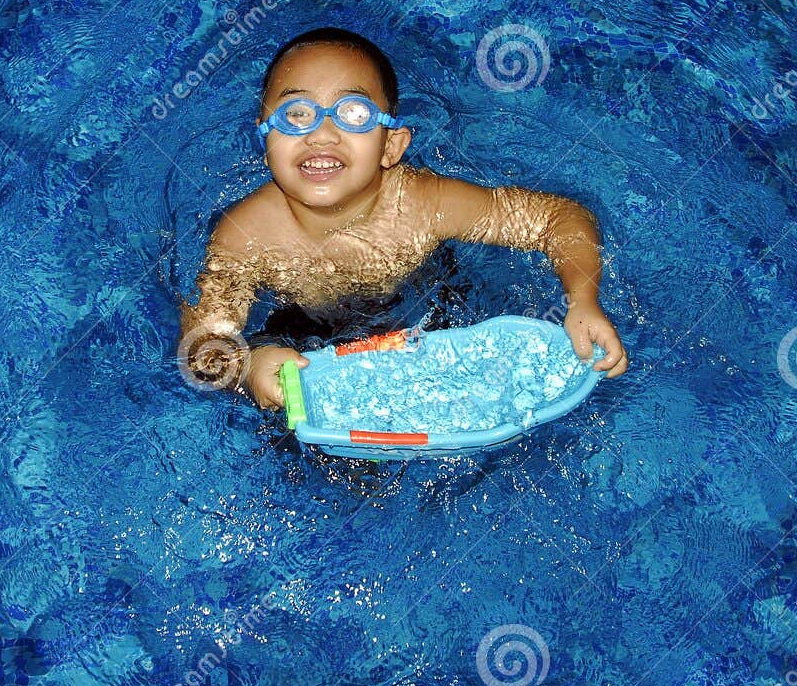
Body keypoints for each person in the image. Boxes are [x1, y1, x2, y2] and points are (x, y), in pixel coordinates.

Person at [178, 27, 628, 409]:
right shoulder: (244, 235)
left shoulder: (423, 203)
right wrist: (250, 368)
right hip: (301, 333)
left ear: (391, 145)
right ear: (264, 134)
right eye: (296, 114)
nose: (321, 132)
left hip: (424, 301)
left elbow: (559, 219)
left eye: (354, 114)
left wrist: (581, 301)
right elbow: (204, 347)